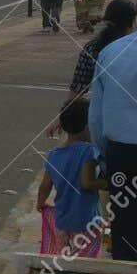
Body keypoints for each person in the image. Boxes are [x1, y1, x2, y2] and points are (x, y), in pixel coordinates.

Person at [89, 0, 137, 261]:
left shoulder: (113, 51)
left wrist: (103, 159)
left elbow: (97, 117)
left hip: (125, 156)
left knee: (127, 234)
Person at [38, 99, 102, 258]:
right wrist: (109, 183)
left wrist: (41, 202)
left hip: (62, 221)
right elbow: (87, 183)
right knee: (85, 262)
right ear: (87, 128)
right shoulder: (88, 151)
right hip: (86, 222)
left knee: (64, 259)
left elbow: (45, 185)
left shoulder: (53, 154)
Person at [70, 0, 136, 97]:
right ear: (132, 23)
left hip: (101, 107)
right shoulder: (136, 48)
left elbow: (77, 89)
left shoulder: (91, 48)